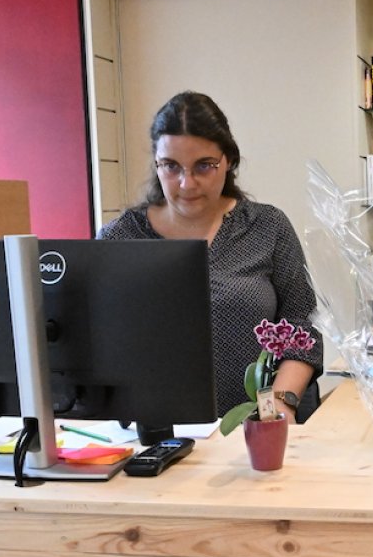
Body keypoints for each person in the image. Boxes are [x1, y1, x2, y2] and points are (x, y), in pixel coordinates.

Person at [98, 91, 323, 422]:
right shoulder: (119, 239)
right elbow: (99, 344)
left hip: (256, 427)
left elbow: (301, 324)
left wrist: (278, 407)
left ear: (228, 160)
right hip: (152, 430)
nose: (187, 183)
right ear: (156, 163)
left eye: (204, 166)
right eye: (171, 166)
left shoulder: (268, 227)